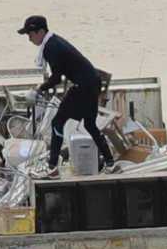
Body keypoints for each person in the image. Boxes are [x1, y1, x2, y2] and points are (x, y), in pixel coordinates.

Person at [18, 15, 112, 173]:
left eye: (30, 34)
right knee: (90, 125)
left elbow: (56, 78)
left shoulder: (50, 47)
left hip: (82, 86)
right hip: (92, 83)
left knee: (57, 122)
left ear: (40, 31)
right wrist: (44, 87)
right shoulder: (54, 42)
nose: (29, 39)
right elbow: (60, 75)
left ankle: (52, 167)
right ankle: (110, 162)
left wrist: (39, 89)